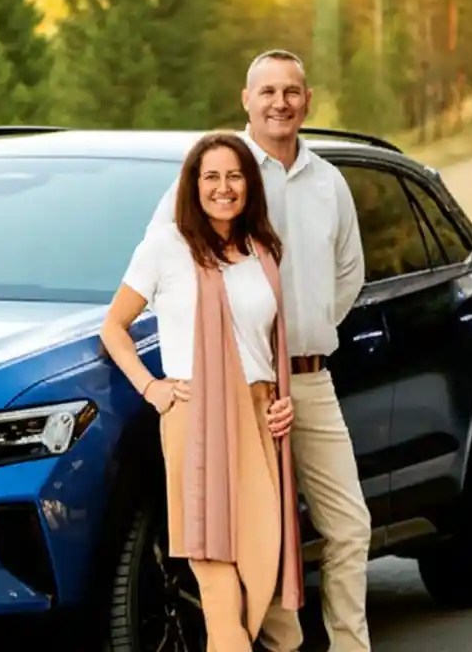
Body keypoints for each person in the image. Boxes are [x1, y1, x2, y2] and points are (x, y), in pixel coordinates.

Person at [146, 50, 371, 652]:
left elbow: (349, 272)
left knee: (349, 525)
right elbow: (163, 266)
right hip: (237, 389)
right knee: (257, 535)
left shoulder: (329, 183)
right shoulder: (219, 174)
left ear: (308, 99)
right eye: (267, 91)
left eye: (292, 91)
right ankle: (282, 644)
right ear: (246, 99)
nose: (280, 102)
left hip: (308, 380)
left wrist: (304, 334)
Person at [101, 132, 305, 651]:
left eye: (234, 176)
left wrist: (281, 398)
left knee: (264, 556)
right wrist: (152, 388)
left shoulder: (263, 250)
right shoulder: (165, 247)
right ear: (192, 185)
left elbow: (267, 341)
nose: (223, 187)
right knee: (213, 563)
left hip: (259, 414)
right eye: (210, 176)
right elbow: (114, 328)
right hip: (195, 415)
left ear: (248, 185)